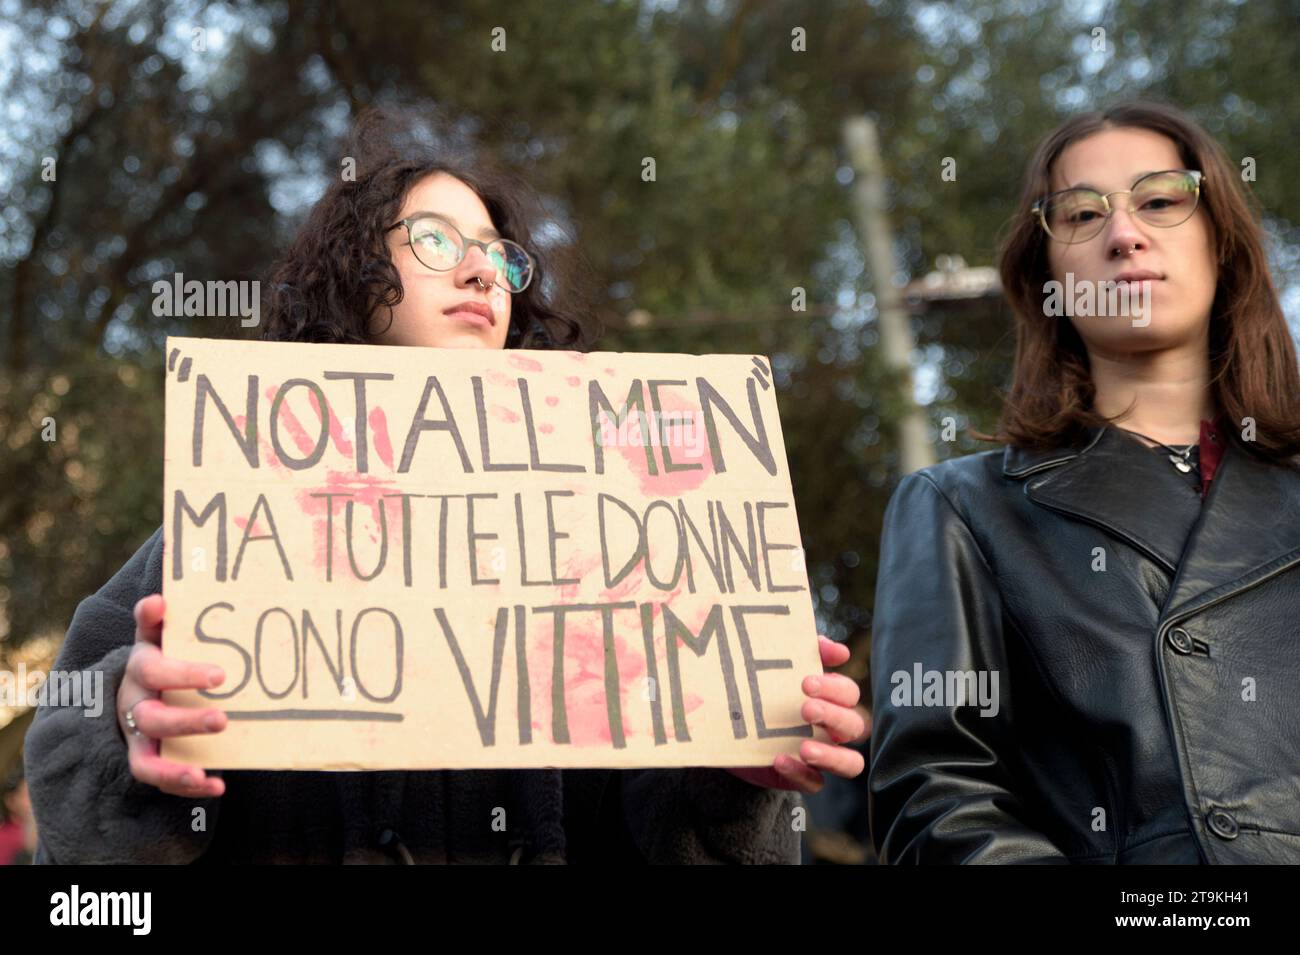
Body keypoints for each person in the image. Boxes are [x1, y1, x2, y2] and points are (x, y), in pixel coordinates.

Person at [25, 106, 865, 864]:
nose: (483, 273)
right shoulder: (225, 528)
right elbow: (79, 829)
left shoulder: (613, 541)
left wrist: (724, 771)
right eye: (435, 241)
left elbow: (659, 832)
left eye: (501, 255)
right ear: (354, 283)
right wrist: (129, 725)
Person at [868, 100, 1300, 864]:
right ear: (1048, 277)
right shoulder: (963, 507)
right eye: (1080, 214)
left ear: (1223, 243)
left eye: (1161, 200)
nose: (1124, 235)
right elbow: (937, 797)